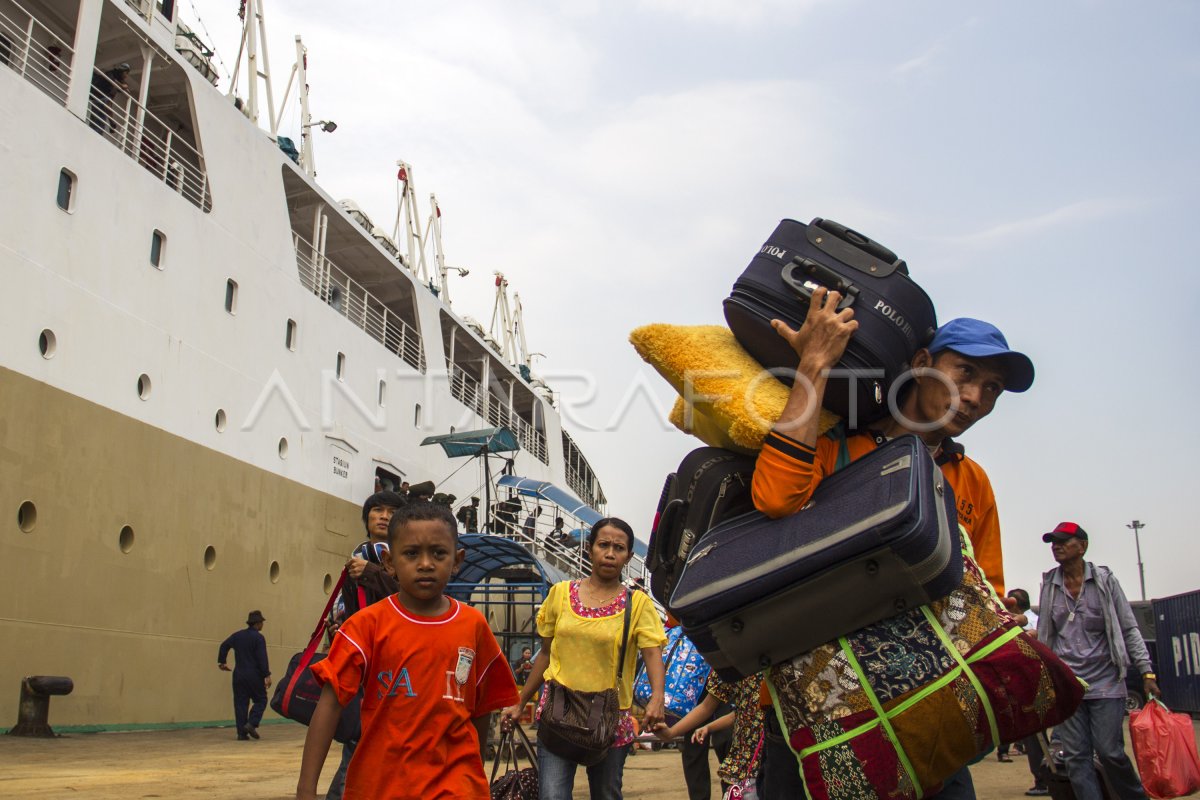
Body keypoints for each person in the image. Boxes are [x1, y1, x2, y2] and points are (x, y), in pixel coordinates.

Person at [750, 301, 1036, 800]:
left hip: (925, 715)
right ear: (922, 361)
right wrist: (813, 366)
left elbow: (985, 587)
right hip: (813, 715)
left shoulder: (972, 481)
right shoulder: (837, 446)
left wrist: (996, 616)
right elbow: (775, 500)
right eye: (964, 372)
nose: (973, 397)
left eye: (991, 389)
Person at [296, 501, 518, 800]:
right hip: (380, 786)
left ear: (457, 560)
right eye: (411, 554)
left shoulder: (473, 626)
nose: (425, 564)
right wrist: (306, 790)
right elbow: (330, 705)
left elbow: (481, 707)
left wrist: (473, 775)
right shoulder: (365, 626)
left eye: (438, 553)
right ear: (389, 562)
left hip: (456, 786)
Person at [500, 517, 667, 800]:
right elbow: (546, 654)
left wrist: (657, 698)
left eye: (619, 548)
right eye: (603, 545)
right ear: (589, 549)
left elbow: (652, 653)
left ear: (627, 556)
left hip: (611, 720)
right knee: (552, 795)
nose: (610, 553)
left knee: (606, 794)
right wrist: (520, 703)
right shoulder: (560, 595)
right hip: (558, 713)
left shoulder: (637, 604)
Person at [1038, 522, 1159, 800]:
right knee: (1077, 757)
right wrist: (1044, 679)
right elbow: (1045, 635)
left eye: (1063, 541)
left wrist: (1147, 672)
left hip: (1105, 682)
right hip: (1069, 684)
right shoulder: (1049, 585)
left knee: (1110, 751)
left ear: (1082, 546)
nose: (1056, 546)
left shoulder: (1105, 582)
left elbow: (1129, 628)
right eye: (1053, 542)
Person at [324, 490, 404, 800]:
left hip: (392, 658)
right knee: (358, 742)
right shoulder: (358, 555)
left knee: (360, 745)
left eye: (391, 511)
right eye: (377, 510)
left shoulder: (402, 555)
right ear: (366, 519)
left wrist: (371, 574)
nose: (383, 516)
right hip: (366, 662)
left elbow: (406, 598)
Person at [217, 610, 271, 741]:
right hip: (254, 675)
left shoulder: (237, 636)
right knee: (261, 699)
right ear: (258, 624)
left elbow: (224, 645)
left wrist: (222, 662)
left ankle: (242, 733)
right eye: (261, 623)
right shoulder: (258, 638)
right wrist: (266, 675)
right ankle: (251, 723)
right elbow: (262, 658)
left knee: (240, 703)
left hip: (239, 675)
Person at [88, 62, 130, 133]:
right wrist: (120, 85)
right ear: (124, 72)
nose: (126, 76)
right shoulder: (111, 73)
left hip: (100, 98)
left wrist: (123, 86)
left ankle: (110, 123)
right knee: (98, 121)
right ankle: (111, 122)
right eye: (126, 73)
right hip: (99, 97)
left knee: (98, 122)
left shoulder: (118, 79)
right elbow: (112, 81)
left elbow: (125, 87)